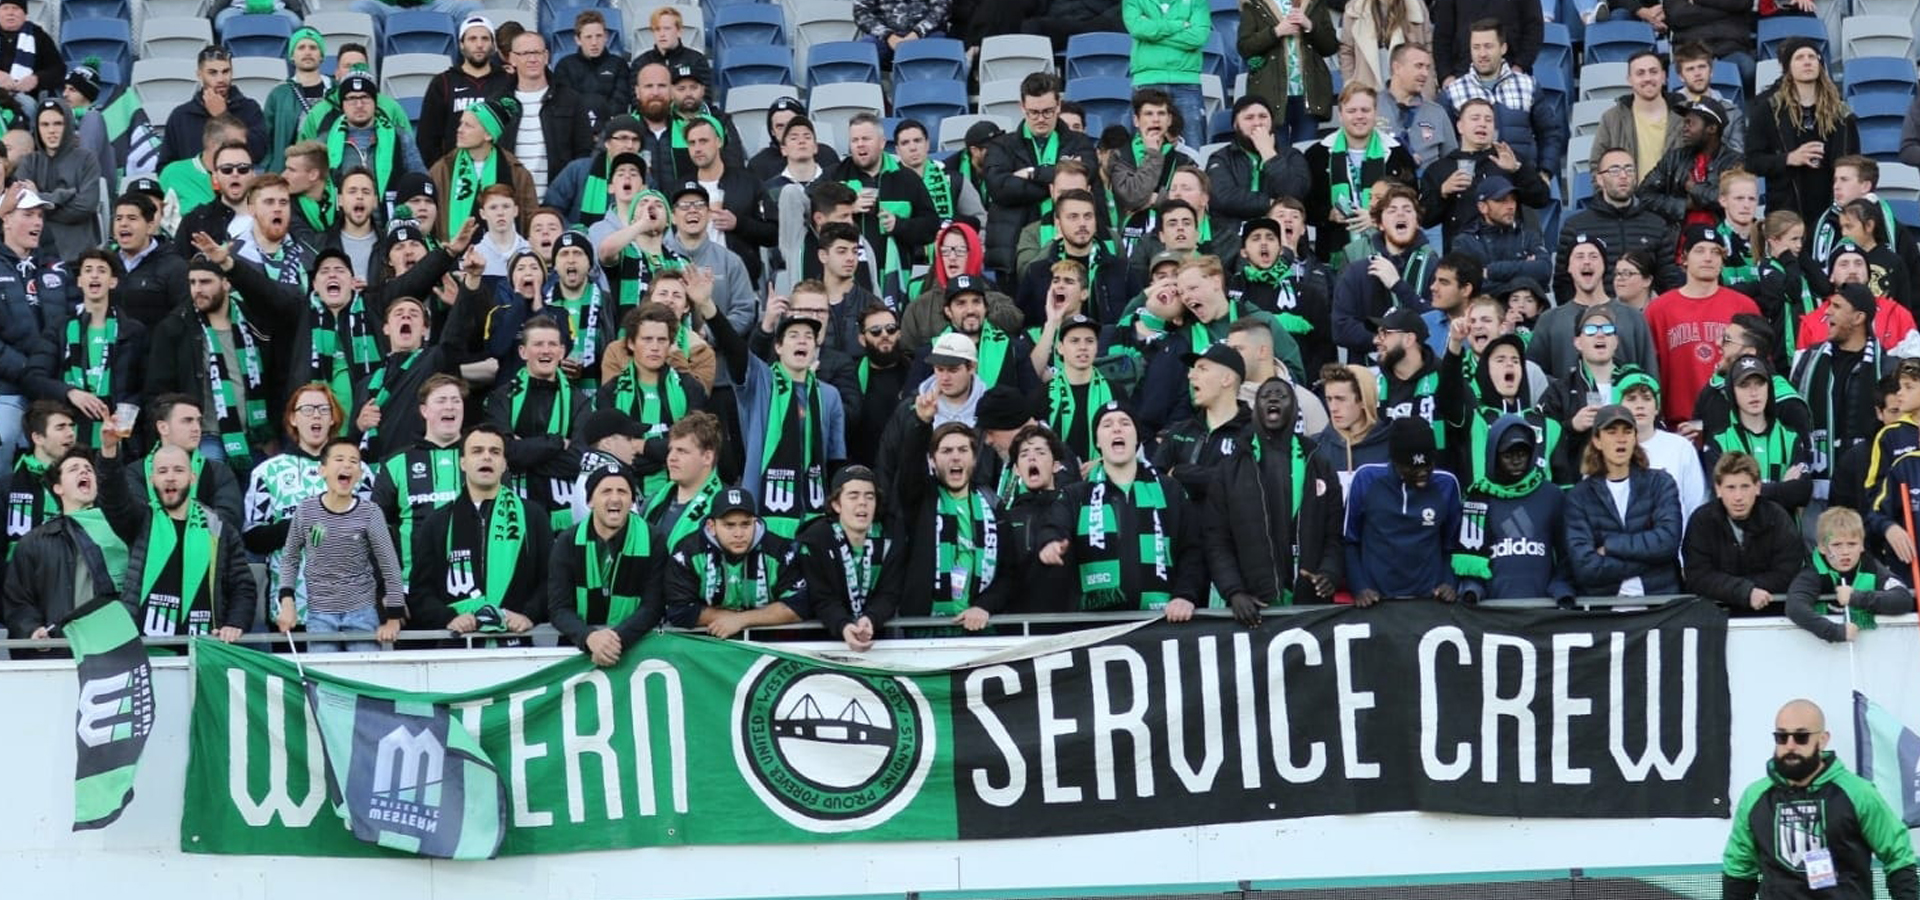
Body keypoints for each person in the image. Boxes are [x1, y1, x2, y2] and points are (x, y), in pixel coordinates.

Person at [1721, 699, 1920, 900]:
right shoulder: (1755, 797)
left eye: (1801, 737)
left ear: (1823, 739)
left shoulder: (1858, 793)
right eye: (1782, 736)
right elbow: (1739, 870)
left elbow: (1898, 856)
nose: (1790, 745)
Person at [709, 283, 845, 539]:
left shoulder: (829, 395)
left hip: (814, 519)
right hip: (763, 515)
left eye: (808, 336)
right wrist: (709, 308)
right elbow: (734, 349)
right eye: (793, 335)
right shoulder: (761, 383)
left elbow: (836, 460)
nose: (802, 340)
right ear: (779, 348)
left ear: (816, 346)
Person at [1207, 377, 1343, 618]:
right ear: (1256, 408)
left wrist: (1329, 573)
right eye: (1265, 395)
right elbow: (1217, 540)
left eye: (1282, 395)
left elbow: (1334, 535)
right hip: (1253, 606)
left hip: (1309, 608)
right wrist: (1234, 591)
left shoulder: (1319, 464)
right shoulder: (1229, 469)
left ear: (1295, 409)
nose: (1273, 399)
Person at [408, 423, 551, 637]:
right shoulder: (437, 523)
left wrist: (529, 615)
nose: (487, 457)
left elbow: (552, 581)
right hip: (457, 647)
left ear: (504, 464)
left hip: (517, 644)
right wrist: (448, 618)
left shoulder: (533, 516)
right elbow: (421, 593)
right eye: (477, 451)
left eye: (495, 452)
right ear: (462, 462)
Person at [243, 384, 372, 620]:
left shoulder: (358, 470)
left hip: (353, 609)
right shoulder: (267, 472)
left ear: (333, 418)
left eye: (324, 409)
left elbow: (374, 533)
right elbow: (252, 537)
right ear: (293, 418)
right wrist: (298, 526)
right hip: (291, 610)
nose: (316, 415)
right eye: (307, 409)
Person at [1, 442, 144, 649]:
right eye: (73, 469)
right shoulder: (33, 542)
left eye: (89, 469)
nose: (84, 471)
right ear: (57, 488)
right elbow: (17, 600)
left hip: (115, 648)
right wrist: (31, 629)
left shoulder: (123, 527)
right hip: (61, 652)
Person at [272, 437, 405, 651]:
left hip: (363, 612)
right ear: (322, 470)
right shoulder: (306, 510)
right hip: (320, 614)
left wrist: (393, 618)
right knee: (324, 681)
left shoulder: (370, 512)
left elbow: (389, 564)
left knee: (362, 680)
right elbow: (290, 558)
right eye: (339, 459)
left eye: (354, 461)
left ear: (360, 474)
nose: (347, 465)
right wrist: (287, 603)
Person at [115, 440, 256, 641]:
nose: (170, 478)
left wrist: (235, 623)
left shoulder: (218, 527)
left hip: (204, 651)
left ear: (192, 478)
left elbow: (243, 585)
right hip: (146, 652)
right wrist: (109, 452)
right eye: (162, 471)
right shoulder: (139, 519)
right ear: (152, 479)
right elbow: (113, 497)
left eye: (178, 470)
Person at [982, 72, 1101, 280]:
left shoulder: (1080, 142)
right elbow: (999, 188)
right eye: (1033, 112)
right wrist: (1060, 181)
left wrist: (1032, 173)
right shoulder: (1001, 145)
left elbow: (1086, 176)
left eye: (1047, 112)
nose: (1040, 119)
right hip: (1014, 250)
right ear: (1022, 107)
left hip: (1076, 247)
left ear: (1059, 105)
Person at [1792, 283, 1895, 516]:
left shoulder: (1888, 367)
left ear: (1859, 317)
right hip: (1814, 492)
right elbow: (1793, 420)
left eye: (1837, 307)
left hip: (1869, 490)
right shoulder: (1808, 360)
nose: (1827, 312)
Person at [547, 467, 667, 665]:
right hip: (579, 651)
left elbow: (653, 606)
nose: (615, 498)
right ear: (590, 501)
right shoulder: (567, 541)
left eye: (622, 491)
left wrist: (613, 642)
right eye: (606, 491)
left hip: (635, 650)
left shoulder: (654, 539)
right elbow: (558, 608)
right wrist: (590, 638)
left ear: (632, 501)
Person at [1746, 39, 1861, 245]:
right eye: (1799, 57)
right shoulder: (1767, 110)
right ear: (1788, 67)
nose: (1807, 62)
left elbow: (1855, 163)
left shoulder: (1842, 114)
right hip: (1786, 209)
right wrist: (1789, 158)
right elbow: (1752, 161)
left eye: (1812, 57)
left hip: (1832, 210)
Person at [1563, 403, 1682, 598]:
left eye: (1627, 431)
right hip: (1605, 612)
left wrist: (1610, 546)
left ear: (1635, 438)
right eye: (1611, 432)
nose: (1621, 439)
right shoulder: (1579, 496)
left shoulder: (1660, 483)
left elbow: (1668, 542)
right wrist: (1651, 560)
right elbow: (1585, 567)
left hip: (1659, 606)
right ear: (1597, 440)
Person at [1646, 225, 1762, 425]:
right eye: (1699, 251)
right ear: (1684, 258)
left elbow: (1761, 366)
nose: (1708, 258)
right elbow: (1647, 372)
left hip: (1733, 423)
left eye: (1715, 252)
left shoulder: (1744, 305)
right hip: (1679, 426)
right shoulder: (1658, 310)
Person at [1436, 19, 1565, 194]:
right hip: (1474, 191)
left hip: (1522, 187)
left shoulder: (1528, 85)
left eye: (1488, 46)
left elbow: (1550, 133)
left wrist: (1544, 173)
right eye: (1476, 47)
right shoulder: (1453, 93)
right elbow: (1445, 147)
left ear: (1503, 48)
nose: (1482, 53)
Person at [1343, 416, 1460, 605]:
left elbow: (1452, 545)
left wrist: (1449, 582)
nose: (1422, 472)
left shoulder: (1447, 485)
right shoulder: (1365, 480)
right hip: (1377, 602)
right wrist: (1359, 587)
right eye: (1412, 468)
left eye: (1427, 465)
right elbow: (1349, 540)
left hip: (1430, 601)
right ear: (1395, 462)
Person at [663, 486, 806, 639]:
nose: (739, 534)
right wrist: (727, 618)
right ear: (712, 526)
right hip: (707, 643)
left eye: (745, 524)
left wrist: (741, 620)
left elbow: (800, 605)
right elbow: (679, 610)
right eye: (729, 525)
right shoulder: (688, 552)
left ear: (755, 522)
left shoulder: (779, 551)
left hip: (769, 644)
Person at [1304, 84, 1419, 263]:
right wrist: (1329, 214)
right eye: (1352, 111)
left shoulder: (1397, 153)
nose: (1359, 116)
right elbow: (1306, 206)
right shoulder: (1317, 154)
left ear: (1375, 113)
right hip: (1334, 251)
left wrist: (1377, 217)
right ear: (1341, 115)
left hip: (1390, 255)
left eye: (1365, 110)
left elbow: (1413, 202)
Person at [796, 465, 904, 651]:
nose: (863, 502)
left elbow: (890, 593)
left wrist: (870, 618)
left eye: (869, 496)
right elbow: (821, 598)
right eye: (853, 496)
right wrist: (843, 625)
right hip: (823, 646)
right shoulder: (816, 539)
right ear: (836, 504)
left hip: (878, 643)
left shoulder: (891, 536)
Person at [1553, 148, 1682, 301]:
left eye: (1629, 169)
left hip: (1644, 317)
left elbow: (1669, 281)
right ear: (1599, 179)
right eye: (1614, 170)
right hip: (1593, 317)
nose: (1623, 176)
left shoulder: (1657, 225)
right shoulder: (1575, 226)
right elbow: (1563, 283)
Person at [50, 249, 146, 446]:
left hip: (118, 438)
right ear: (79, 281)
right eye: (88, 270)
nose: (94, 275)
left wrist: (130, 407)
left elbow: (146, 383)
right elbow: (35, 376)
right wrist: (70, 392)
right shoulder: (60, 327)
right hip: (70, 437)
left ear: (113, 282)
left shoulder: (132, 331)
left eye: (102, 270)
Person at [1419, 102, 1549, 247]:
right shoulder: (1441, 168)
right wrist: (1442, 192)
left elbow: (1541, 199)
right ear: (1460, 126)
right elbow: (1425, 220)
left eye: (1488, 120)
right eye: (1475, 118)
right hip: (1461, 255)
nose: (1482, 124)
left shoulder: (1509, 158)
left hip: (1508, 251)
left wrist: (1517, 171)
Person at [1330, 183, 1436, 357]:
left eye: (1408, 210)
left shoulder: (1432, 265)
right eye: (1392, 210)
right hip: (1368, 371)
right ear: (1379, 224)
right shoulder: (1357, 269)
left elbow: (1438, 321)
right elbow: (1341, 328)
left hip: (1419, 369)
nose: (1400, 213)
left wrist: (1398, 285)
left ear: (1417, 222)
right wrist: (1383, 340)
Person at [1786, 506, 1915, 643]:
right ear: (1822, 547)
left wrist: (1856, 597)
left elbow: (1903, 599)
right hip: (1821, 651)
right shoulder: (1814, 571)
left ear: (1862, 546)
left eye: (1852, 544)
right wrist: (1834, 631)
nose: (1845, 551)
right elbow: (1795, 607)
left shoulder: (1871, 566)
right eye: (1837, 545)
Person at [495, 31, 593, 198]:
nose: (532, 59)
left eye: (537, 52)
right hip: (511, 203)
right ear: (512, 59)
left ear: (546, 56)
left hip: (558, 204)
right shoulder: (498, 103)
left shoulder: (571, 100)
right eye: (525, 53)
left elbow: (583, 154)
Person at [429, 98, 539, 243]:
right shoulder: (443, 169)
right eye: (461, 123)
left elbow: (529, 217)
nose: (460, 130)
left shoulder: (515, 171)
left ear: (488, 134)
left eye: (468, 126)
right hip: (452, 257)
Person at [418, 15, 514, 169]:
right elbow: (427, 138)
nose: (479, 45)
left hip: (499, 171)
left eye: (485, 39)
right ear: (461, 44)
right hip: (455, 172)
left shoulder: (507, 81)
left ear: (493, 45)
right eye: (472, 39)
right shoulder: (443, 82)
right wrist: (443, 171)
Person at [318, 73, 424, 205]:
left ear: (375, 102)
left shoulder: (400, 137)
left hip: (390, 219)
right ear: (342, 104)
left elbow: (420, 182)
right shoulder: (324, 142)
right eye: (351, 98)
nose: (359, 105)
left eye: (365, 97)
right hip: (341, 222)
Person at [17, 98, 98, 260]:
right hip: (37, 257)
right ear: (37, 128)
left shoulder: (86, 159)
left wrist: (39, 199)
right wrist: (64, 195)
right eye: (45, 125)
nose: (51, 130)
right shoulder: (29, 161)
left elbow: (85, 207)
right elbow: (24, 206)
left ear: (68, 125)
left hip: (79, 257)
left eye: (58, 124)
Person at [160, 47, 267, 168]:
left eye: (226, 71)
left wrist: (222, 116)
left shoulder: (249, 108)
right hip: (194, 184)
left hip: (238, 182)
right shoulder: (181, 115)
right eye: (213, 73)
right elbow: (165, 166)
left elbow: (259, 153)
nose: (220, 79)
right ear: (199, 75)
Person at [1638, 102, 1741, 227]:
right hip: (1678, 238)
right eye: (1684, 123)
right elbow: (1644, 195)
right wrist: (1684, 205)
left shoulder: (1735, 161)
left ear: (1712, 128)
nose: (1684, 128)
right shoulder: (1674, 158)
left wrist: (1693, 188)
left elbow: (1734, 200)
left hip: (1721, 236)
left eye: (1690, 123)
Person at [1123, 0, 1208, 148]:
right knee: (1142, 147)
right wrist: (1180, 25)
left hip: (1187, 81)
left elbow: (1198, 37)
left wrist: (1153, 34)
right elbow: (1138, 29)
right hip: (1147, 80)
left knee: (1195, 151)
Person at [1449, 174, 1550, 296]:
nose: (1511, 206)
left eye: (1513, 199)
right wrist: (1525, 273)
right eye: (1501, 200)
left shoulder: (1527, 235)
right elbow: (1471, 287)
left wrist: (1491, 271)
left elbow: (1544, 270)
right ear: (1483, 207)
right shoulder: (1465, 242)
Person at [641, 410, 727, 551]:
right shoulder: (653, 502)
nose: (671, 457)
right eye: (671, 450)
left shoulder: (725, 507)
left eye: (682, 451)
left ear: (707, 457)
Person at [1591, 51, 1682, 179]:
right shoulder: (1612, 119)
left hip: (1676, 198)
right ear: (1629, 80)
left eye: (1653, 72)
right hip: (1630, 197)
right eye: (1640, 73)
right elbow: (1597, 166)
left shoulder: (1686, 116)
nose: (1648, 78)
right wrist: (1614, 198)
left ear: (1663, 76)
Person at [109, 191, 190, 330]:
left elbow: (184, 316)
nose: (123, 224)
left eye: (132, 218)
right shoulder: (105, 265)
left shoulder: (175, 266)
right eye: (118, 218)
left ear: (150, 226)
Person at [3, 401, 73, 556]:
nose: (70, 433)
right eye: (61, 427)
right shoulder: (6, 487)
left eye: (71, 426)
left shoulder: (83, 481)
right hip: (18, 576)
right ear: (38, 438)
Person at [262, 27, 330, 174]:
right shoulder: (279, 94)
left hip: (327, 170)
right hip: (287, 172)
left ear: (321, 56)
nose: (307, 52)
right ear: (292, 56)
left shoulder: (335, 91)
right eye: (301, 47)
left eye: (313, 47)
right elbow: (266, 139)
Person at [1379, 43, 1456, 170]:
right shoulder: (1371, 107)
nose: (1425, 73)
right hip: (1385, 184)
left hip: (1428, 186)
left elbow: (1451, 161)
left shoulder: (1437, 112)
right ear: (1397, 67)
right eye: (1418, 66)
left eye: (1427, 68)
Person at [554, 10, 632, 125]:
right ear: (578, 40)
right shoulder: (565, 66)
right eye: (588, 37)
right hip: (576, 129)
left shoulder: (619, 64)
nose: (594, 42)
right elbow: (566, 103)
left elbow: (620, 103)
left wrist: (600, 125)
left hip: (609, 130)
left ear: (606, 37)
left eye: (599, 36)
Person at [1338, 0, 1433, 92]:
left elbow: (1428, 50)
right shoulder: (1355, 8)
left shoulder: (1416, 6)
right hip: (1365, 91)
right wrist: (1350, 83)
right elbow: (1346, 51)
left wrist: (1428, 88)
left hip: (1409, 92)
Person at [632, 6, 714, 90]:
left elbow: (704, 96)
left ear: (679, 31)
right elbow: (635, 97)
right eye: (657, 29)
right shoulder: (640, 63)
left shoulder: (697, 60)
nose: (662, 34)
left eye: (667, 28)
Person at [856, 0, 951, 68]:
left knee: (937, 46)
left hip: (926, 35)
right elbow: (860, 12)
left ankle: (928, 93)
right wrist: (888, 36)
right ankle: (874, 94)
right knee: (864, 50)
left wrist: (917, 33)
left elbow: (942, 8)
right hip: (884, 38)